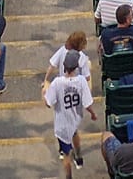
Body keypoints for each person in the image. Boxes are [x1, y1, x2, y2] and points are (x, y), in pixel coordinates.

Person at [43, 50, 93, 178]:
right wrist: (93, 114)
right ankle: (79, 158)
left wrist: (44, 92)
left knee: (66, 156)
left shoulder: (57, 83)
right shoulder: (81, 80)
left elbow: (49, 103)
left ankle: (69, 177)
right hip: (75, 117)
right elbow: (87, 103)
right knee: (75, 133)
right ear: (76, 67)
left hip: (62, 123)